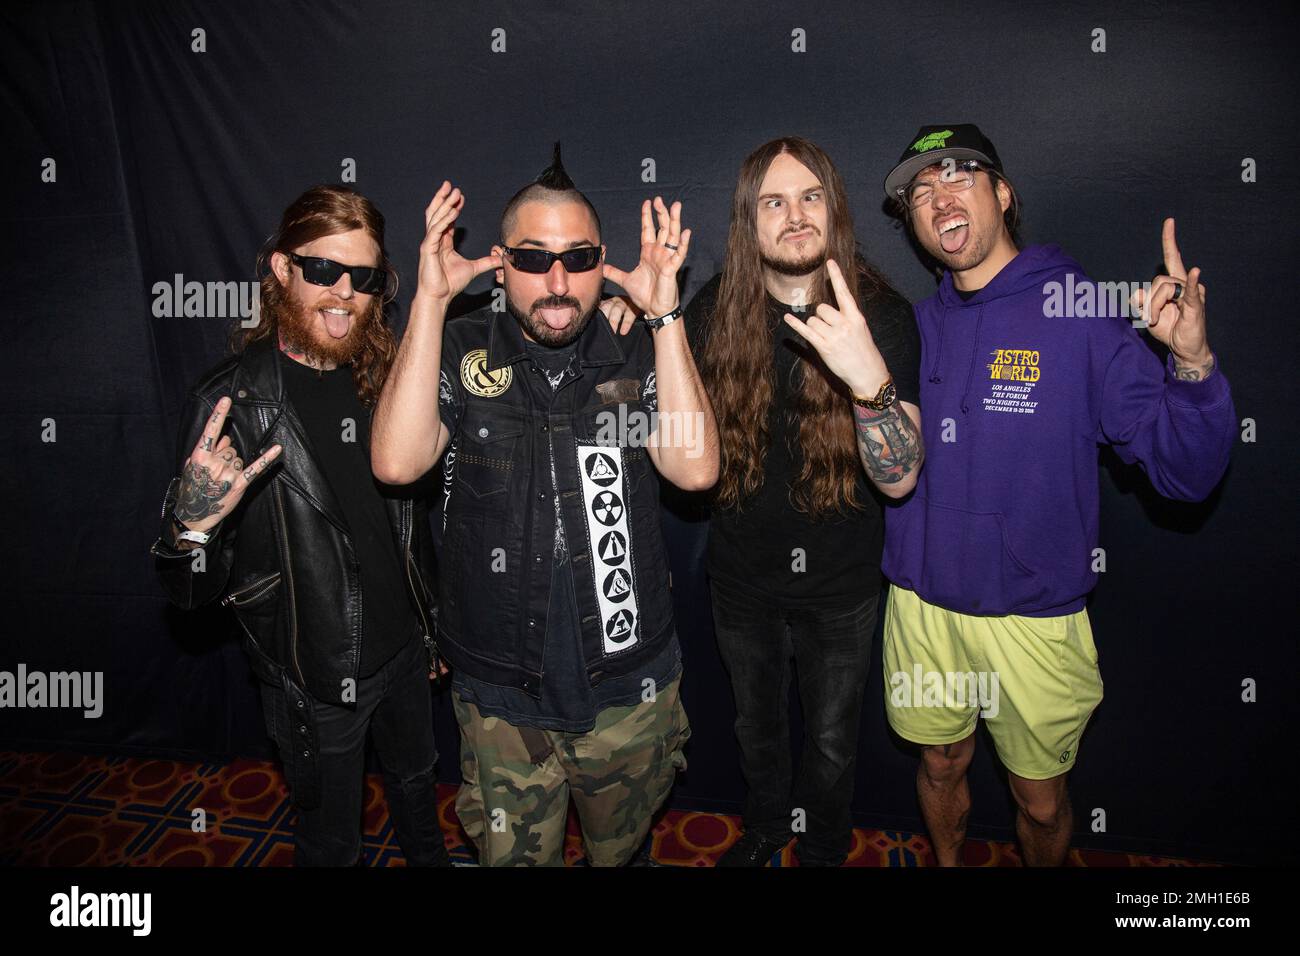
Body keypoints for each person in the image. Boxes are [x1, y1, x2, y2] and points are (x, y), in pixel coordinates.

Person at [878, 124, 1235, 865]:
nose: (938, 195)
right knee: (939, 764)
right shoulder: (909, 329)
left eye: (957, 175)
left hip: (1033, 616)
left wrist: (1192, 365)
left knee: (1040, 803)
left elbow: (1185, 476)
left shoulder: (1078, 312)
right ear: (912, 222)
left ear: (1003, 193)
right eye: (920, 190)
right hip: (921, 605)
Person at [371, 147, 719, 866]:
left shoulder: (636, 350)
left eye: (579, 257)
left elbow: (694, 470)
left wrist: (666, 318)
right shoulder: (461, 347)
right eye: (532, 259)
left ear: (603, 263)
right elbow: (397, 461)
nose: (557, 281)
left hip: (627, 689)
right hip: (502, 700)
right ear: (500, 264)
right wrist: (431, 304)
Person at [151, 185, 449, 867]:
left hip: (406, 651)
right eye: (323, 270)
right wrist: (194, 527)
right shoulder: (230, 403)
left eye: (364, 278)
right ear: (282, 270)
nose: (344, 292)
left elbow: (411, 527)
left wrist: (430, 623)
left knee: (418, 796)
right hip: (312, 680)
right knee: (330, 844)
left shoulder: (386, 376)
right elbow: (189, 595)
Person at [677, 136, 924, 866]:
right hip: (741, 580)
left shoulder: (883, 314)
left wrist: (866, 379)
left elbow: (901, 477)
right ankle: (764, 827)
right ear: (748, 222)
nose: (794, 216)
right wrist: (637, 321)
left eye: (810, 197)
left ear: (836, 210)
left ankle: (823, 846)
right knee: (755, 728)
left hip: (842, 586)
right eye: (773, 202)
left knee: (830, 740)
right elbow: (671, 427)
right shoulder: (713, 309)